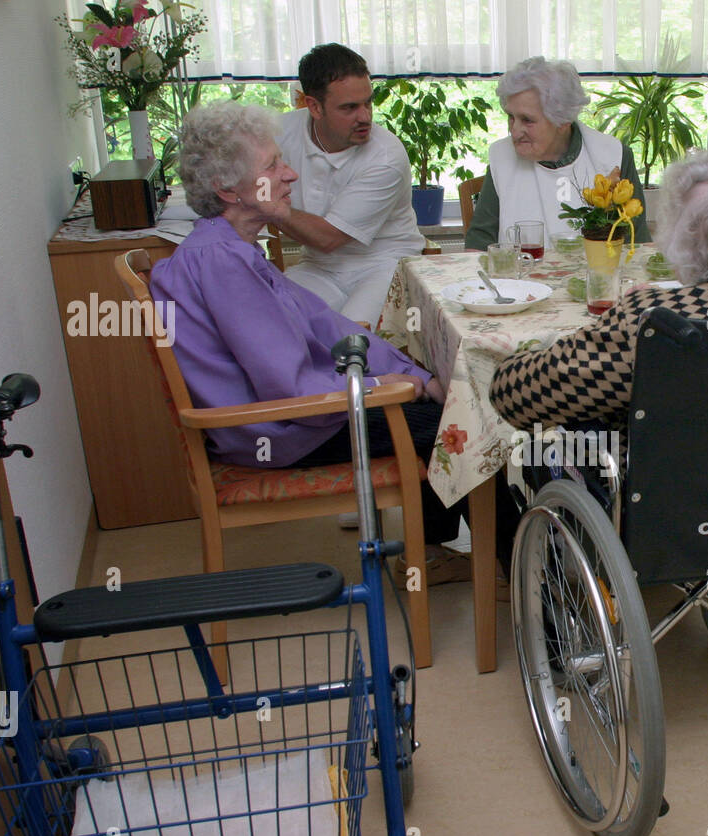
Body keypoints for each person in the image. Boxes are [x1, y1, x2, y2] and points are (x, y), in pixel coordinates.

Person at [152, 101, 514, 583]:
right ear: (228, 189)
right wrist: (391, 386)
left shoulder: (230, 248)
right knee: (461, 426)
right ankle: (532, 577)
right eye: (272, 167)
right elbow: (289, 384)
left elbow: (324, 323)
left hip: (285, 416)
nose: (289, 175)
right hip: (275, 431)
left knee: (439, 405)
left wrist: (415, 374)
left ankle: (435, 555)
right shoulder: (223, 262)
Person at [489, 151, 708, 445]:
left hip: (667, 497)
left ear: (686, 238)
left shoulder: (654, 321)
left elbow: (515, 397)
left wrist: (527, 352)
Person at [276, 44, 425, 328]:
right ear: (314, 106)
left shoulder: (386, 156)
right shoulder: (279, 132)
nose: (365, 117)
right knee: (275, 320)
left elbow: (328, 238)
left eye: (368, 103)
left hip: (383, 264)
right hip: (317, 267)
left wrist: (267, 206)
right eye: (349, 107)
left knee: (350, 340)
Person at [465, 56, 651, 251]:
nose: (515, 130)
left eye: (527, 120)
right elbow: (478, 245)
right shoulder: (501, 157)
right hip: (519, 271)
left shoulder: (613, 156)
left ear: (563, 121)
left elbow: (638, 245)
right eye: (511, 117)